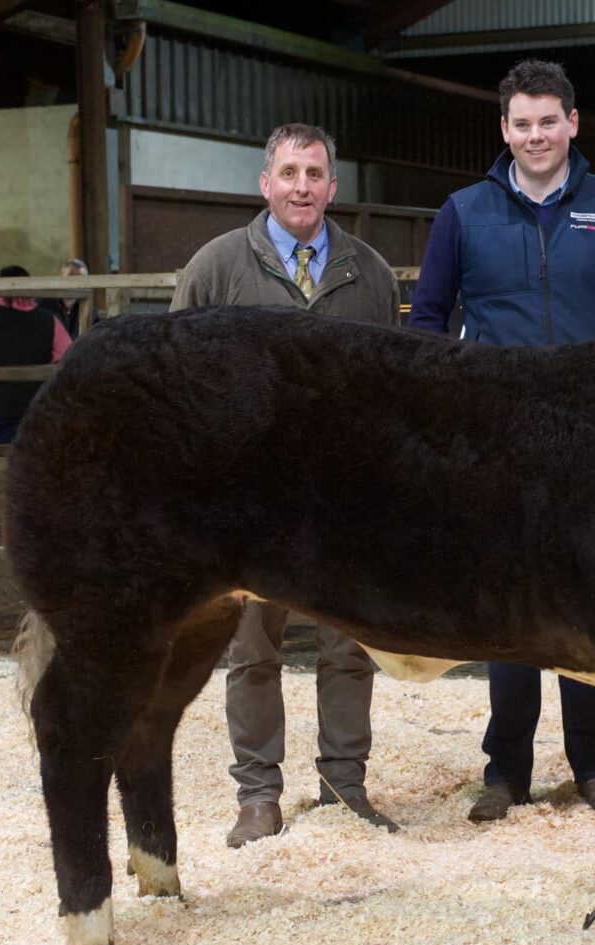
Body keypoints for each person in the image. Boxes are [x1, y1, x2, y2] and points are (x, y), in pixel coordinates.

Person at [411, 58, 595, 823]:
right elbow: (427, 319)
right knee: (507, 603)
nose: (535, 136)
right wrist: (450, 401)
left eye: (547, 122)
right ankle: (506, 768)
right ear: (505, 130)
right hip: (497, 436)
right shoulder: (463, 212)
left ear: (572, 124)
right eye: (521, 124)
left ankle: (594, 764)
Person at [171, 122, 402, 848]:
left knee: (348, 644)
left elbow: (390, 387)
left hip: (342, 502)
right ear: (265, 183)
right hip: (249, 505)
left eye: (315, 174)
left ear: (333, 188)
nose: (302, 186)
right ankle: (258, 795)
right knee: (252, 648)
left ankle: (344, 787)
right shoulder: (215, 269)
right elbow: (178, 380)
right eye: (290, 172)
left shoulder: (370, 274)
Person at [0, 265, 72, 445]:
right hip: (38, 404)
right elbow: (67, 354)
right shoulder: (48, 319)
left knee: (6, 460)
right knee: (35, 461)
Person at [38, 258, 93, 338]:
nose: (74, 282)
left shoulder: (89, 309)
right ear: (61, 276)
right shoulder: (43, 305)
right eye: (71, 276)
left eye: (80, 278)